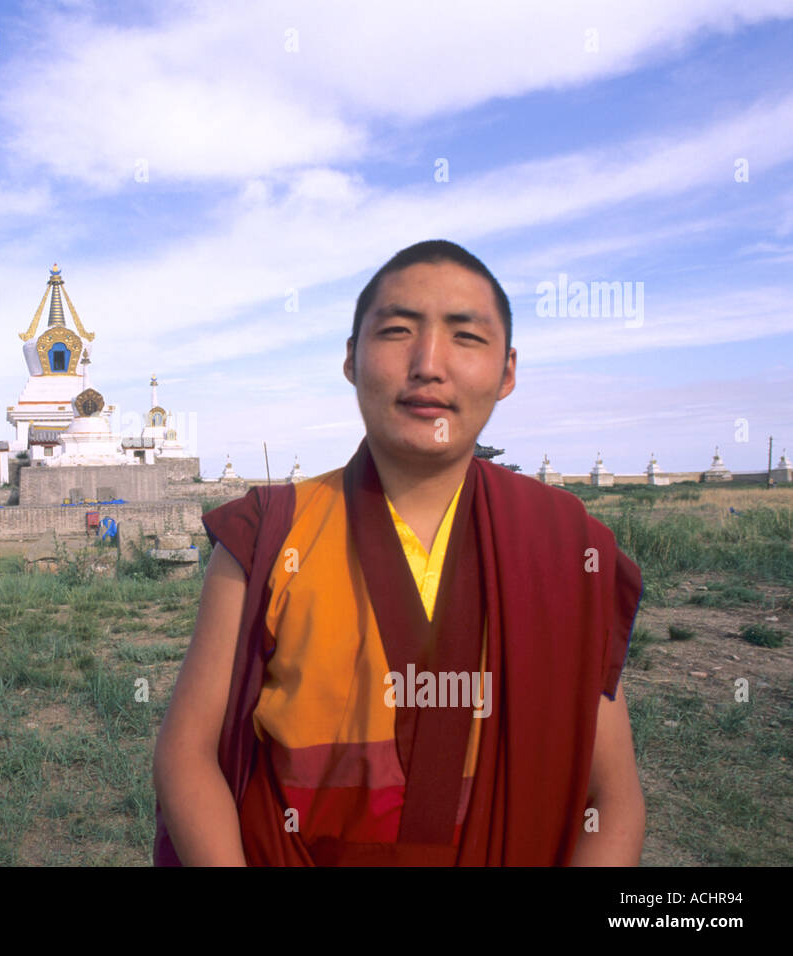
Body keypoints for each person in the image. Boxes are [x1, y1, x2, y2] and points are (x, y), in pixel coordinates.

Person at [152, 239, 646, 866]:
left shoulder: (566, 547)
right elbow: (186, 755)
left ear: (508, 371)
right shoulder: (270, 533)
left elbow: (613, 799)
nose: (429, 364)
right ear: (352, 360)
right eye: (396, 331)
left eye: (466, 337)